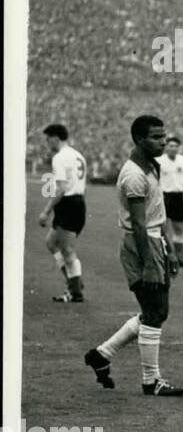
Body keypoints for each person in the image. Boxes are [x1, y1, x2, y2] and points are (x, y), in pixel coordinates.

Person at [83, 115, 183, 395]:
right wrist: (150, 261)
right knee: (156, 311)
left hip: (154, 241)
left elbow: (156, 214)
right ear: (139, 139)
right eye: (155, 137)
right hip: (142, 244)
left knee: (154, 311)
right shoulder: (134, 174)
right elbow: (140, 224)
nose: (162, 142)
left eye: (164, 136)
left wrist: (169, 249)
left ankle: (102, 354)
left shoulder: (150, 166)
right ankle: (151, 381)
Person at [38, 123, 88, 303]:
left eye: (47, 139)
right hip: (77, 202)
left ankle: (75, 292)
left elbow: (61, 188)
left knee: (67, 249)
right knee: (51, 242)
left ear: (55, 138)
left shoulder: (60, 157)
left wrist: (46, 211)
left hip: (69, 203)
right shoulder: (77, 155)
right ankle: (75, 281)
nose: (46, 143)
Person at [159, 136, 183, 267]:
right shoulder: (158, 161)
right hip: (163, 196)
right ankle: (163, 259)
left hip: (178, 197)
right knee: (162, 229)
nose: (173, 148)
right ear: (166, 147)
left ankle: (179, 259)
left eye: (175, 146)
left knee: (178, 228)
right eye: (170, 146)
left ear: (179, 148)